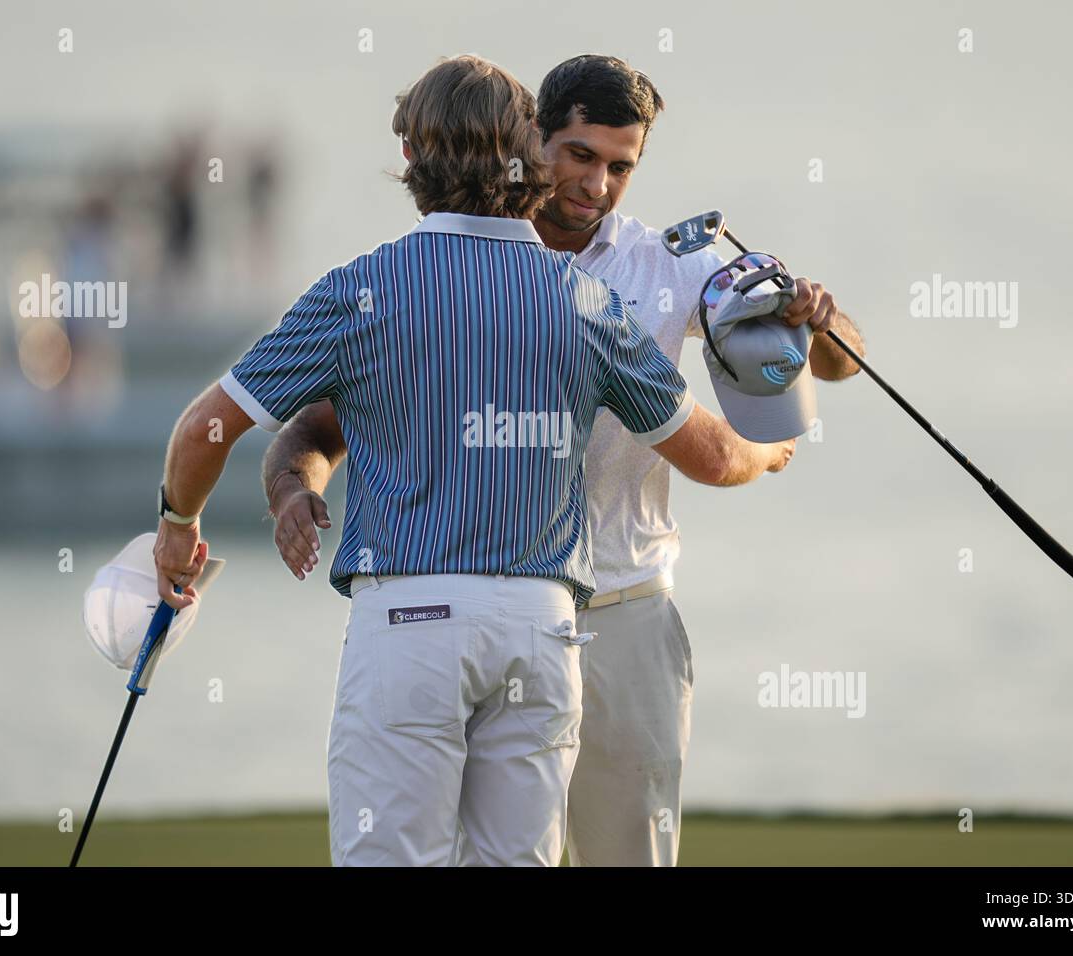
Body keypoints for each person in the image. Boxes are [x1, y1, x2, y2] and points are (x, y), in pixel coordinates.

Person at [262, 54, 865, 866]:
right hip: (496, 616)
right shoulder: (449, 268)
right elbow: (320, 429)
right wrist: (294, 488)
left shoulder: (671, 263)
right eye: (580, 156)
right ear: (530, 139)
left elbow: (836, 364)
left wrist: (817, 322)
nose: (598, 185)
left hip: (625, 616)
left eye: (622, 167)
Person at [154, 55, 753, 867]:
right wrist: (776, 445)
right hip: (543, 630)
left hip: (407, 625)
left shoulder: (360, 290)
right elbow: (710, 454)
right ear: (530, 159)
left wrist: (176, 529)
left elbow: (202, 433)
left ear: (409, 159)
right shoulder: (582, 299)